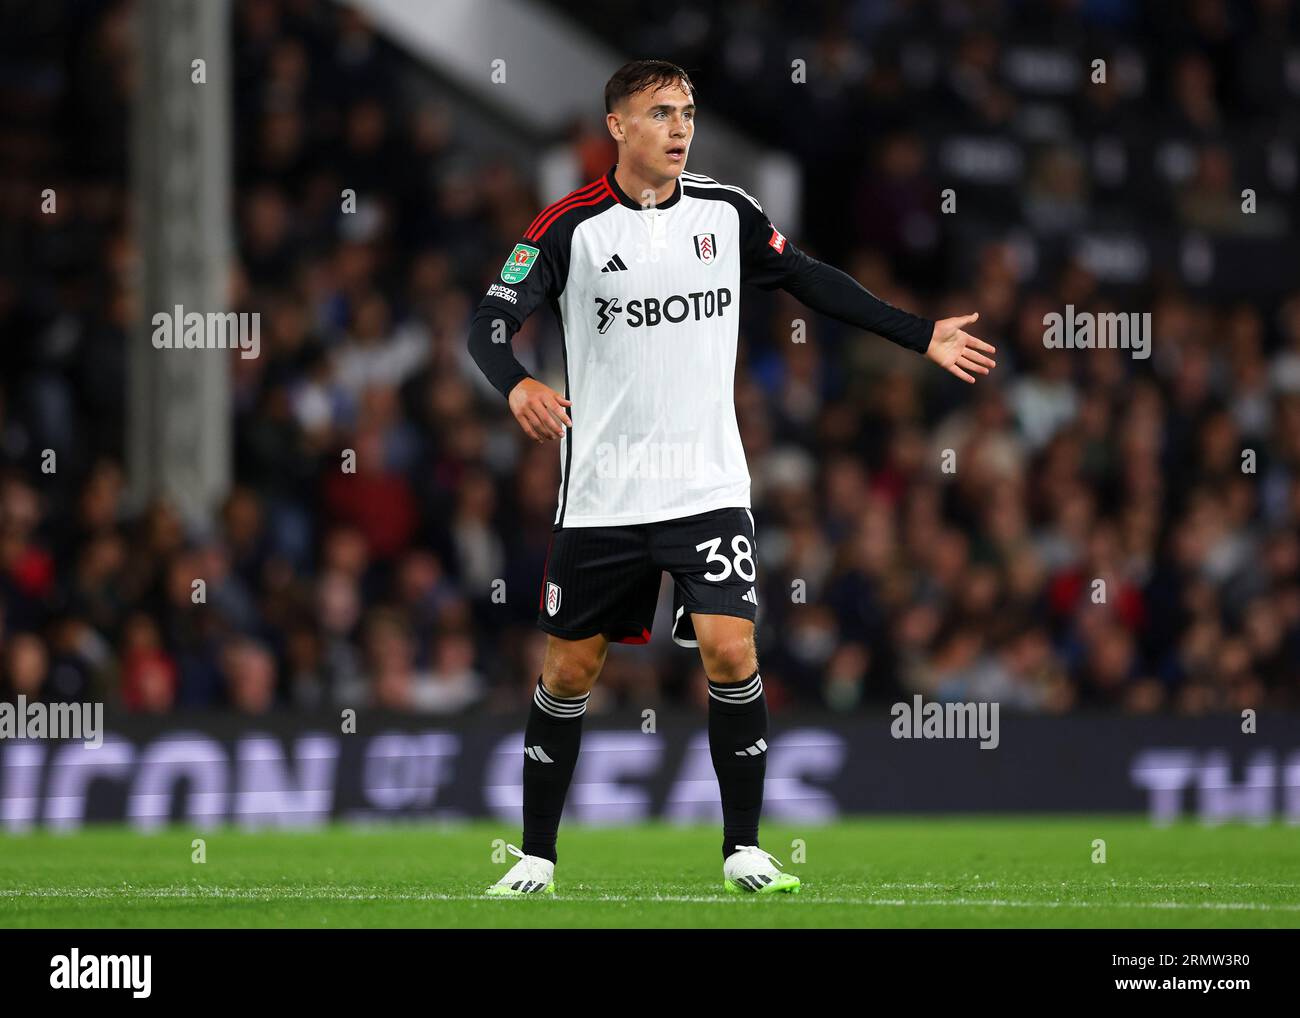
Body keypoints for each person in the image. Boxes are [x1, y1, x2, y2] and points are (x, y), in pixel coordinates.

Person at [468, 59, 996, 896]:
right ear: (617, 127)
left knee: (729, 647)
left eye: (686, 113)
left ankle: (743, 848)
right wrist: (520, 383)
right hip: (602, 495)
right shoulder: (568, 227)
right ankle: (535, 856)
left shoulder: (727, 212)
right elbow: (489, 324)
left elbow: (812, 280)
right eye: (659, 114)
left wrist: (918, 332)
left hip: (708, 486)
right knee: (570, 672)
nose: (679, 129)